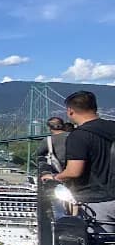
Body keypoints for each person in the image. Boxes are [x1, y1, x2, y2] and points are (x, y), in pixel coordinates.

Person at [42, 91, 115, 222]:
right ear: (95, 107)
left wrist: (54, 177)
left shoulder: (78, 136)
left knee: (98, 241)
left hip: (96, 201)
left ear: (70, 111)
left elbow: (74, 172)